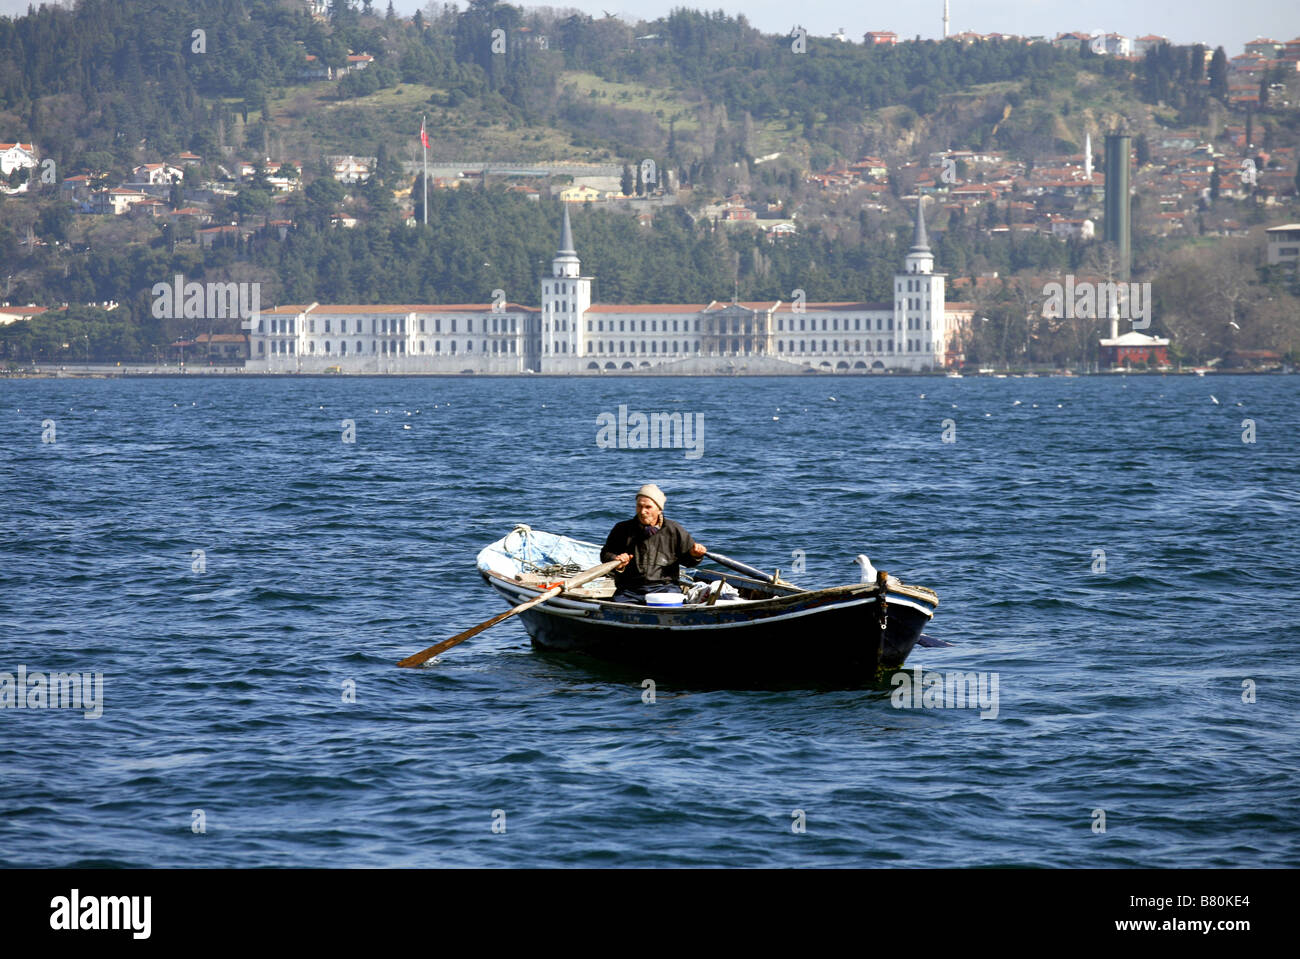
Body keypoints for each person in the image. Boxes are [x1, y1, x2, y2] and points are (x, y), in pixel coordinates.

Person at [601, 484, 707, 604]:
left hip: (665, 588)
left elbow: (688, 562)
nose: (643, 511)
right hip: (629, 590)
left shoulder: (674, 530)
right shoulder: (622, 529)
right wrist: (617, 561)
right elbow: (605, 554)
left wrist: (695, 555)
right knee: (620, 609)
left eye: (648, 507)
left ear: (659, 509)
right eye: (639, 506)